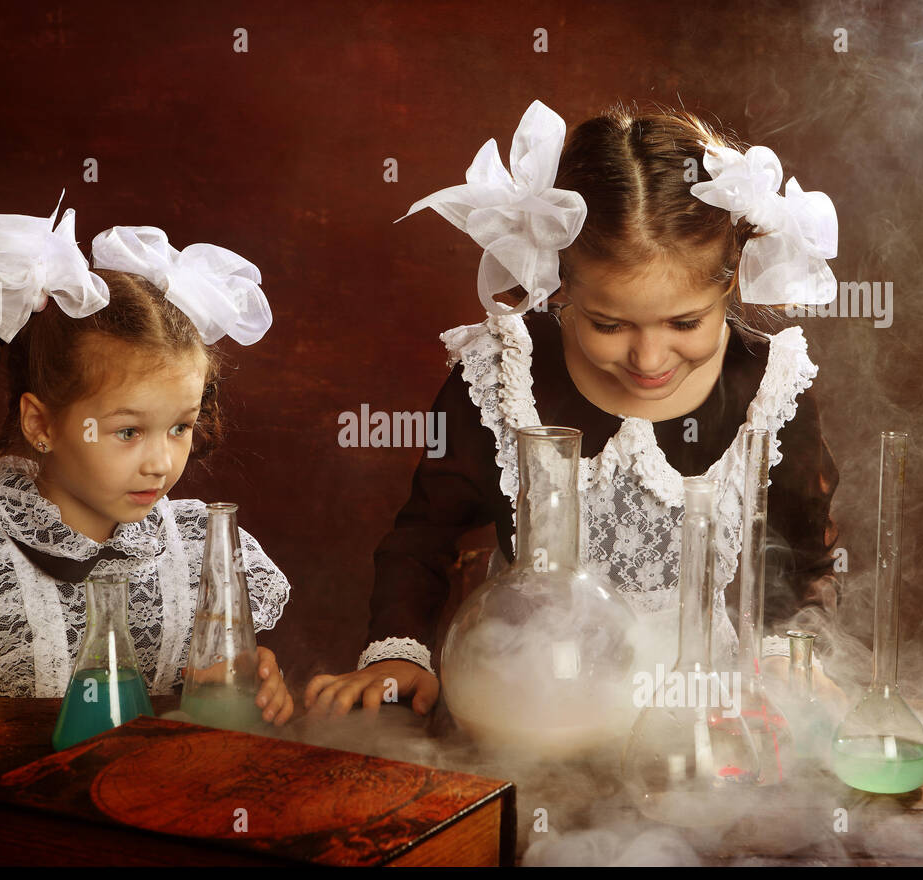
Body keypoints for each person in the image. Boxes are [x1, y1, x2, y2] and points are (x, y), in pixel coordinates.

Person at [306, 100, 841, 717]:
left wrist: (789, 653)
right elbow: (423, 536)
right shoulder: (503, 373)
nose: (648, 357)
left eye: (685, 322)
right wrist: (397, 654)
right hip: (532, 706)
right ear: (560, 282)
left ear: (733, 282)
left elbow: (805, 557)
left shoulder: (772, 388)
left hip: (706, 716)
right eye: (609, 324)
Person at [0, 194, 294, 725]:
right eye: (128, 430)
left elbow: (222, 698)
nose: (161, 463)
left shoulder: (200, 551)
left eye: (180, 427)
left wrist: (255, 679)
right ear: (41, 424)